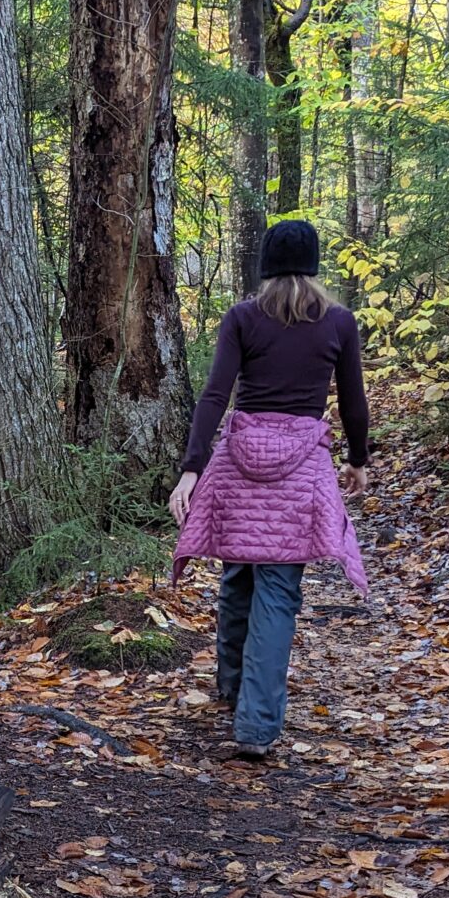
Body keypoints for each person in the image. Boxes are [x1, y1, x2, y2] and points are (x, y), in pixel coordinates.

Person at [169, 219, 370, 760]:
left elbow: (215, 395)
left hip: (239, 462)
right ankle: (256, 726)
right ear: (313, 264)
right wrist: (357, 460)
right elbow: (353, 401)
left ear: (264, 266)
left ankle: (232, 687)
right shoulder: (338, 321)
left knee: (238, 573)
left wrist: (192, 467)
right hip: (301, 469)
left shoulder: (242, 317)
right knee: (277, 591)